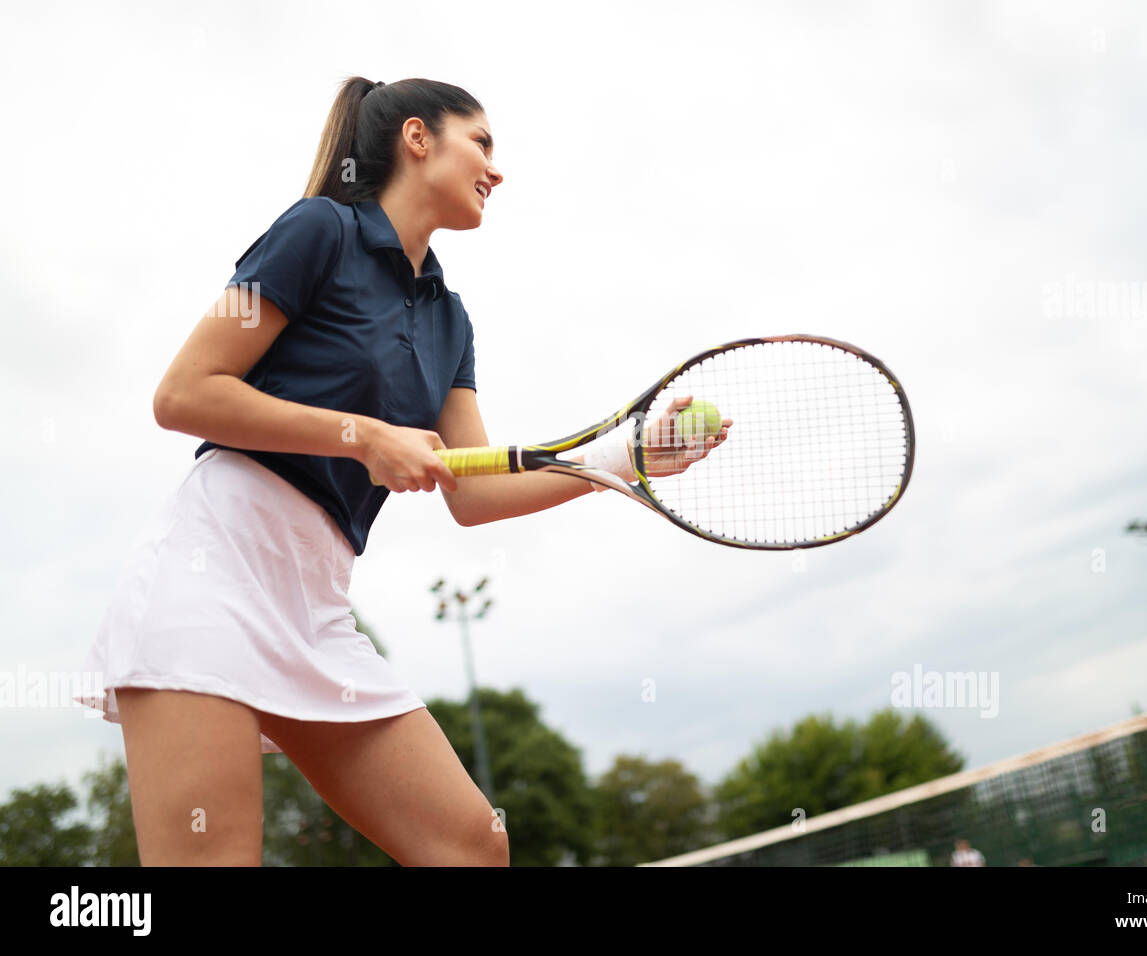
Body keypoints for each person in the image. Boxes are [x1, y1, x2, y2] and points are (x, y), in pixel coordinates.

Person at [75, 76, 726, 866]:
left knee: (473, 847)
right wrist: (365, 436)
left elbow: (473, 490)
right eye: (482, 142)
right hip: (210, 576)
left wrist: (630, 455)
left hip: (317, 604)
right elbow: (184, 394)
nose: (498, 168)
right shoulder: (317, 231)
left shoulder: (450, 318)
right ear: (418, 137)